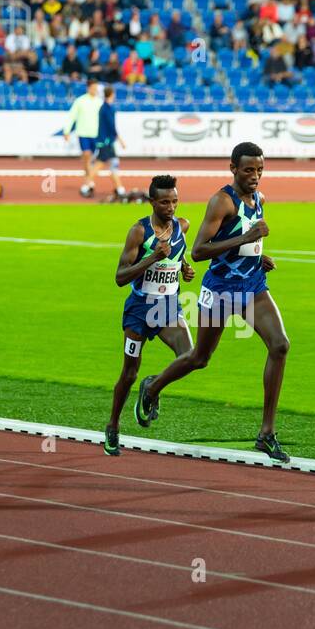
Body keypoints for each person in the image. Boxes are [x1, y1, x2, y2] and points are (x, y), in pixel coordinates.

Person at [134, 142, 292, 463]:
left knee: (280, 345)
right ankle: (152, 387)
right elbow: (199, 251)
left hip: (252, 286)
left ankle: (266, 434)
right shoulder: (221, 201)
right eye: (249, 169)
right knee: (200, 358)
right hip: (220, 290)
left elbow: (242, 242)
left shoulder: (259, 200)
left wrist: (259, 255)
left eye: (260, 169)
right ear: (233, 168)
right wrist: (247, 240)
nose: (255, 176)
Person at [104, 175, 197, 455]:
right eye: (165, 202)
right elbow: (120, 278)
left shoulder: (182, 226)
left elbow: (176, 255)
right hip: (140, 310)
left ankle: (152, 388)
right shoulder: (138, 232)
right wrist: (152, 258)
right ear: (152, 202)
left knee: (191, 356)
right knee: (129, 373)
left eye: (175, 201)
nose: (171, 207)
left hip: (167, 307)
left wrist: (184, 267)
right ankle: (113, 425)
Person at [63, 78, 103, 197]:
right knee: (86, 155)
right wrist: (67, 130)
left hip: (96, 134)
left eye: (96, 88)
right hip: (83, 133)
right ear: (88, 88)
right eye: (93, 88)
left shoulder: (99, 102)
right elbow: (72, 116)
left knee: (92, 159)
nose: (94, 90)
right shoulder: (80, 101)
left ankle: (88, 178)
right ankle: (89, 181)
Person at [91, 84, 128, 199]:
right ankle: (86, 184)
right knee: (100, 164)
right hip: (106, 141)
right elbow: (111, 126)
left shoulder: (104, 107)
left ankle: (119, 188)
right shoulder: (108, 109)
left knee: (113, 163)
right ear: (112, 94)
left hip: (106, 141)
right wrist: (120, 140)